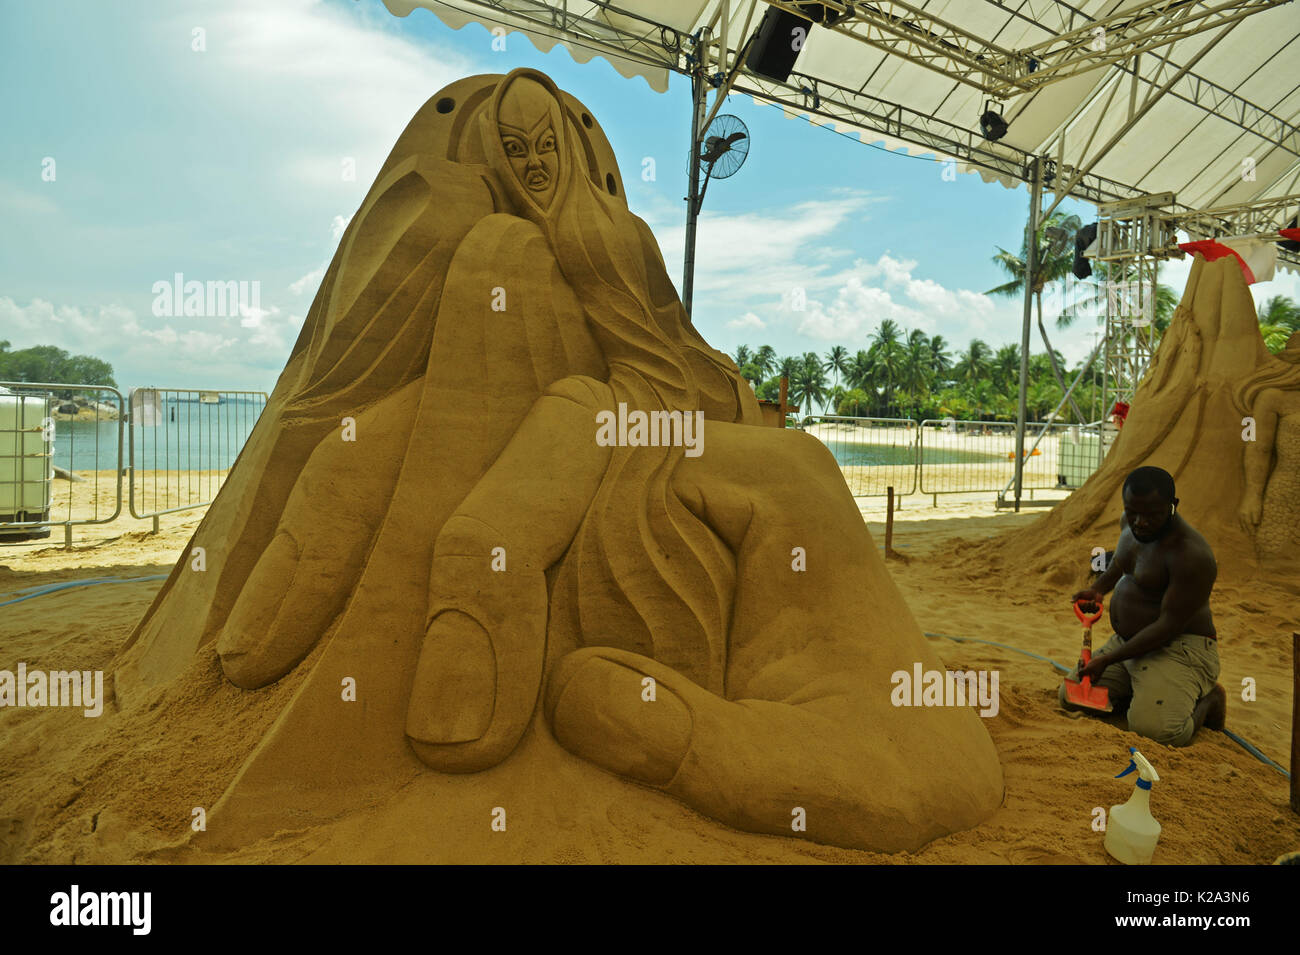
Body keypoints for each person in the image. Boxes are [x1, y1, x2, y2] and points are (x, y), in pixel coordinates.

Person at [1060, 465, 1226, 745]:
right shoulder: (1131, 522)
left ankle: (1210, 700)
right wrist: (1098, 589)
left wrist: (1109, 659)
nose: (1140, 522)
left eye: (1152, 515)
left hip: (1178, 647)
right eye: (1133, 511)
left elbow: (1168, 627)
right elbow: (1123, 560)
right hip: (1130, 643)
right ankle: (1143, 691)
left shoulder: (1191, 555)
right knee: (1071, 697)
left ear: (1173, 506)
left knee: (1159, 732)